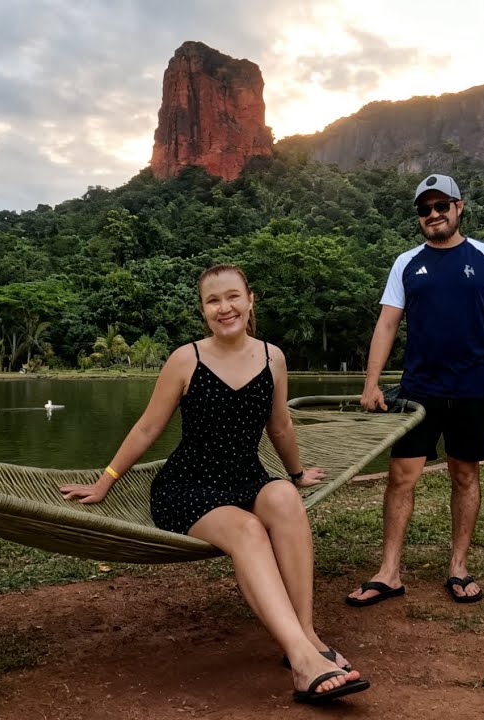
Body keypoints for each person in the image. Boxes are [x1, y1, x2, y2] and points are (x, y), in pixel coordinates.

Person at [60, 264, 369, 704]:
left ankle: (306, 636)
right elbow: (148, 428)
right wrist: (104, 481)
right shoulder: (186, 359)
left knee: (285, 497)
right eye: (213, 300)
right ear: (203, 310)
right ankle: (304, 662)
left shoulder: (273, 357)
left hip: (246, 479)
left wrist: (297, 474)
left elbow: (280, 425)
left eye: (232, 296)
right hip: (189, 487)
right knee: (247, 529)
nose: (225, 308)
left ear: (250, 300)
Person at [346, 173, 484, 608]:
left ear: (459, 207)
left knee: (464, 474)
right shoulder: (406, 263)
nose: (433, 214)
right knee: (400, 477)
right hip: (418, 389)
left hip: (473, 386)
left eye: (442, 205)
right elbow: (387, 323)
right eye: (425, 209)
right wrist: (371, 382)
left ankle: (458, 567)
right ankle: (389, 573)